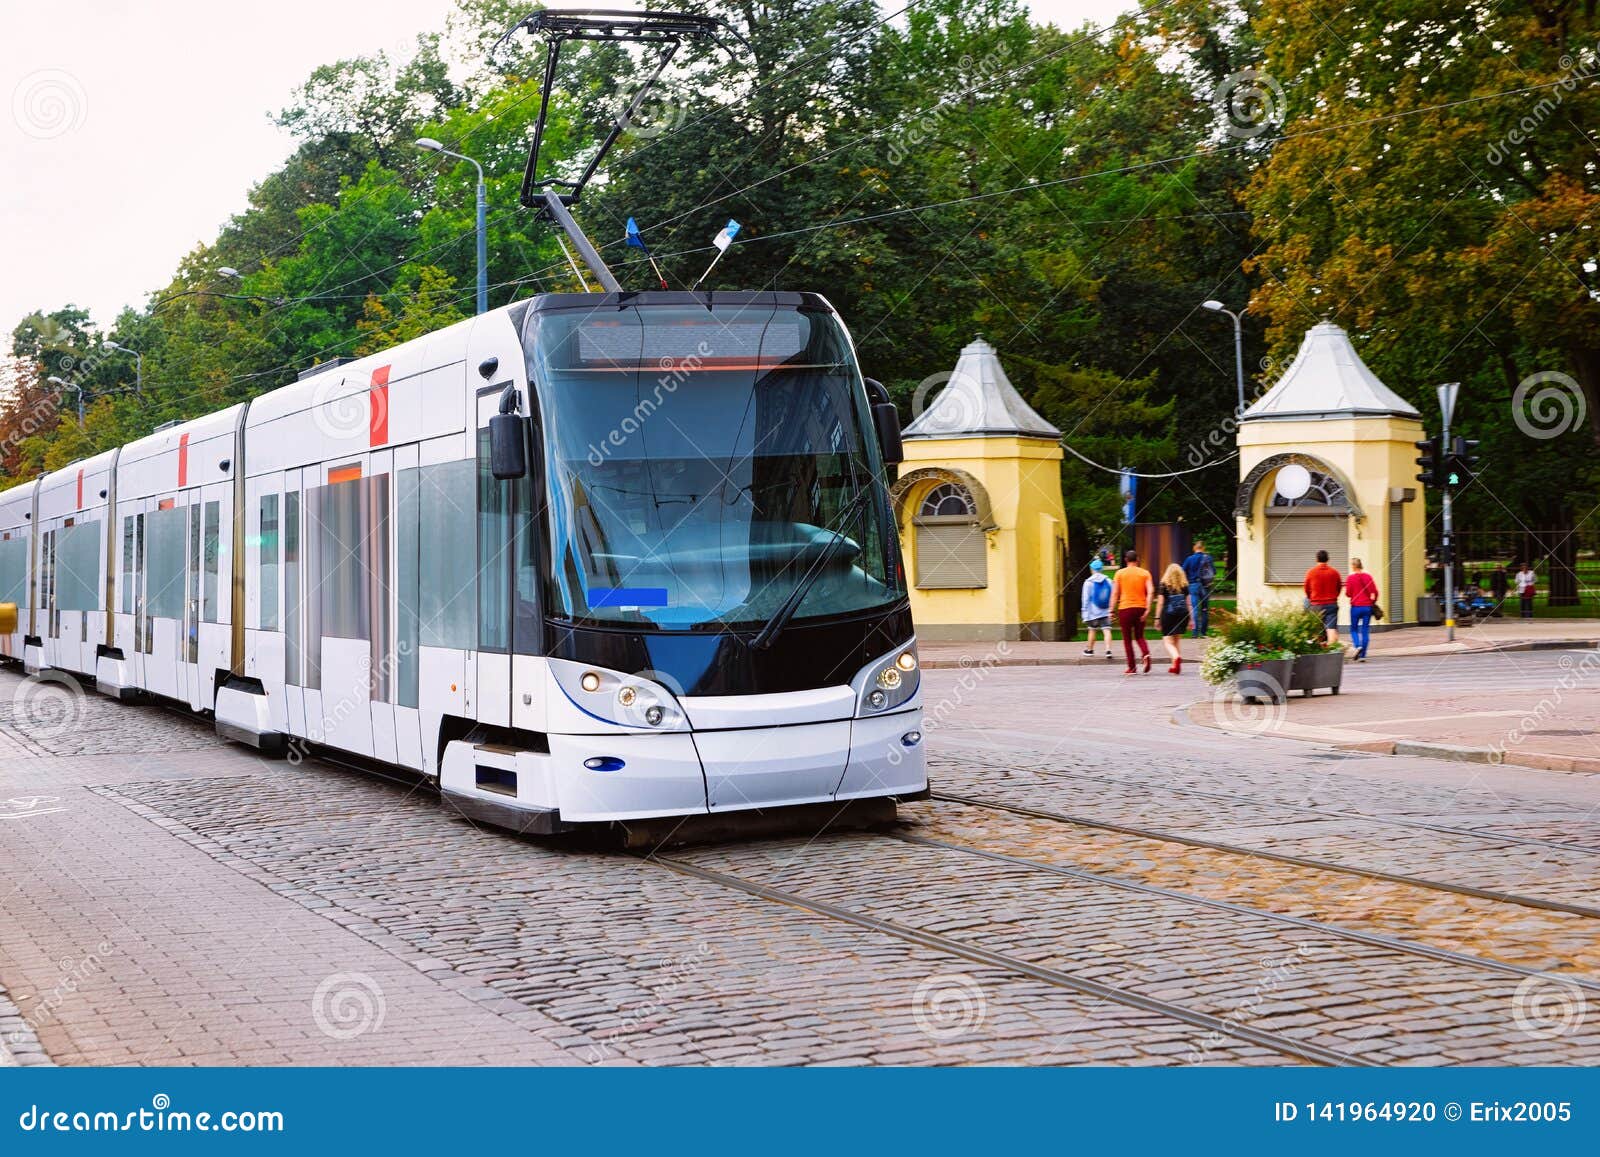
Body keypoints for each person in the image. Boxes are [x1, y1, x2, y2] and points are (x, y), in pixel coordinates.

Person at [1112, 549, 1154, 675]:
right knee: (1140, 636)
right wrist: (1147, 608)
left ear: (1126, 560)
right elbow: (1151, 591)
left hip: (1125, 608)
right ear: (1138, 560)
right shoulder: (1145, 573)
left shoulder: (1119, 573)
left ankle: (1132, 667)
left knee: (1127, 639)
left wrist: (1110, 610)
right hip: (1140, 607)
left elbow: (1115, 593)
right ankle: (1145, 654)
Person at [1303, 549, 1343, 646]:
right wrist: (1333, 597)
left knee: (1316, 629)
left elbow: (1306, 588)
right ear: (1328, 559)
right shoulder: (1335, 572)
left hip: (1316, 605)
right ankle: (1332, 651)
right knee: (1331, 628)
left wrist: (1311, 598)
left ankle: (1319, 651)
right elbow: (1339, 587)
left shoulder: (1311, 572)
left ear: (1317, 559)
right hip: (1331, 604)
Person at [1157, 563, 1191, 674]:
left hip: (1168, 614)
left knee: (1167, 640)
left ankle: (1176, 657)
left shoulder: (1164, 585)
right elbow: (1189, 603)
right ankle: (1175, 665)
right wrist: (1191, 618)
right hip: (1182, 614)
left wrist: (1157, 618)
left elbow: (1161, 602)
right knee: (1176, 640)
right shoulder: (1184, 585)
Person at [1080, 559, 1116, 659]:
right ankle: (1108, 650)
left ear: (1092, 569)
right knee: (1107, 630)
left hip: (1093, 612)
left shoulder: (1088, 582)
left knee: (1092, 630)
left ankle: (1089, 650)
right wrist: (1111, 609)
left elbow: (1085, 599)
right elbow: (1112, 596)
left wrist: (1084, 613)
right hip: (1105, 611)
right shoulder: (1108, 581)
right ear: (1101, 569)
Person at [1345, 558, 1379, 661]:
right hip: (1367, 608)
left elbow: (1348, 594)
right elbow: (1375, 592)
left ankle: (1357, 645)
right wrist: (1372, 602)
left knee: (1353, 629)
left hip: (1355, 607)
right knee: (1365, 631)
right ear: (1361, 565)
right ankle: (1363, 656)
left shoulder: (1350, 578)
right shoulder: (1368, 577)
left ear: (1353, 566)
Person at [1182, 539, 1216, 638]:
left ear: (1194, 548)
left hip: (1193, 585)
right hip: (1206, 586)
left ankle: (1195, 633)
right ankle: (1203, 633)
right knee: (1204, 609)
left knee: (1195, 609)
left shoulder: (1189, 559)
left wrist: (1187, 581)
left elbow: (1182, 571)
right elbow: (1213, 571)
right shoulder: (1208, 558)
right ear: (1203, 548)